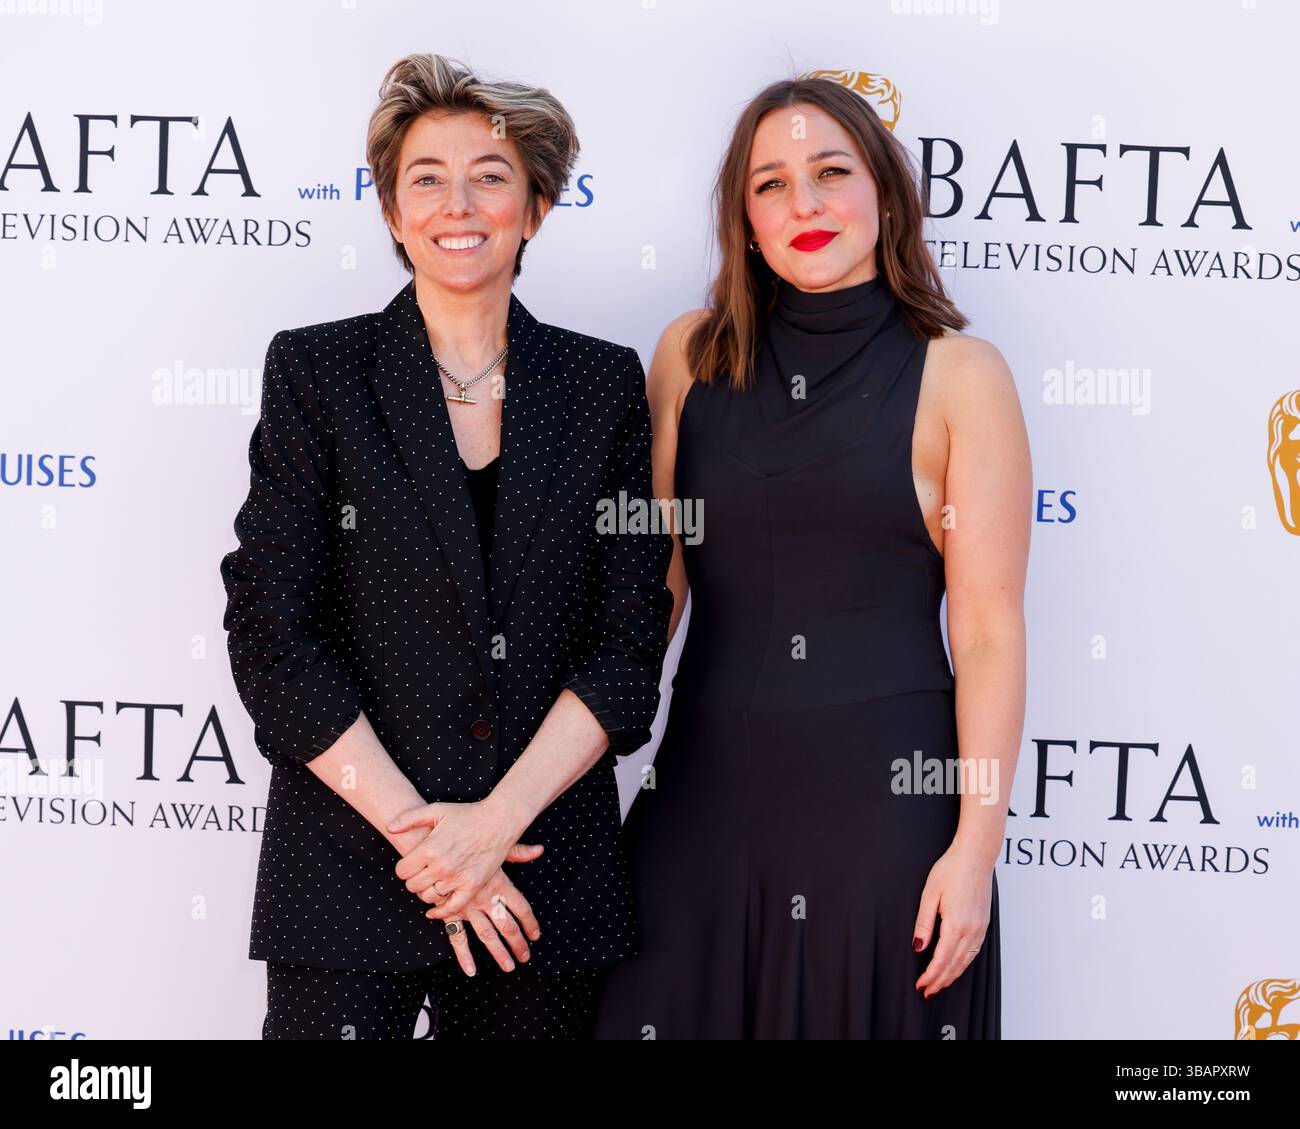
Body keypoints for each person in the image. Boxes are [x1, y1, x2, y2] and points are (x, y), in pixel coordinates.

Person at [219, 53, 672, 1040]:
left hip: (541, 874)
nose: (456, 203)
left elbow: (631, 637)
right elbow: (271, 633)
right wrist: (436, 847)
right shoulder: (316, 371)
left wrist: (493, 826)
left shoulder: (603, 387)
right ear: (390, 210)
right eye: (425, 177)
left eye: (492, 174)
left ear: (537, 206)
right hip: (345, 866)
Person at [593, 75, 1031, 1039]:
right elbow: (650, 594)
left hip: (886, 821)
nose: (805, 205)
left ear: (883, 189)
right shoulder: (688, 356)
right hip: (700, 805)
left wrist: (975, 850)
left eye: (831, 173)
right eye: (772, 184)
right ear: (743, 219)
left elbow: (991, 631)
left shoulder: (962, 373)